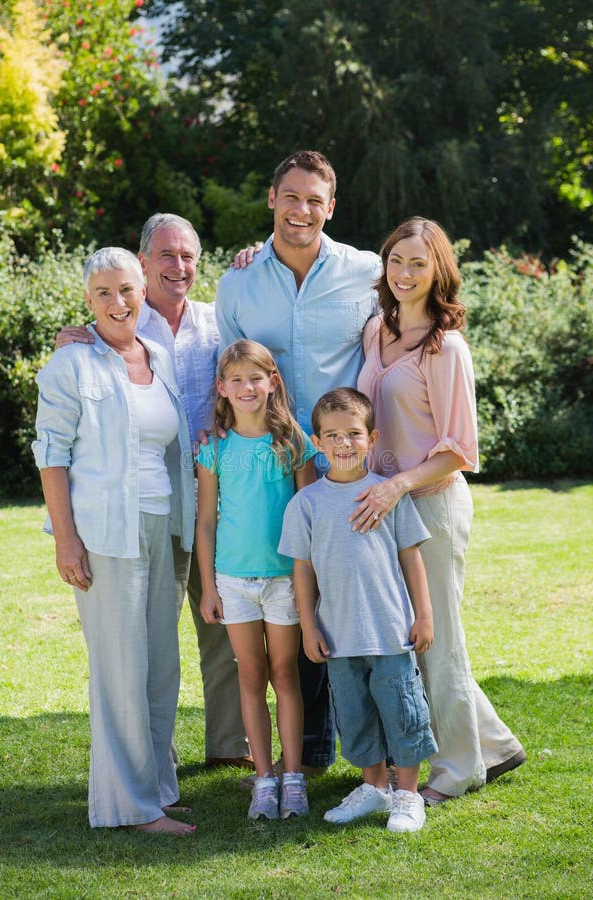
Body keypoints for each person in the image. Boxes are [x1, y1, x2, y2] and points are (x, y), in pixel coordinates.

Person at [55, 214, 250, 768]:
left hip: (215, 501)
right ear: (142, 265)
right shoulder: (112, 328)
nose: (179, 266)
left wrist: (256, 257)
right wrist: (71, 338)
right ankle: (148, 763)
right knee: (146, 643)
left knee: (223, 633)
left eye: (189, 255)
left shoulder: (218, 323)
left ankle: (229, 752)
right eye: (166, 255)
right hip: (149, 504)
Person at [216, 150, 382, 775]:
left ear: (331, 207)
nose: (302, 210)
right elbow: (226, 374)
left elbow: (406, 320)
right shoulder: (238, 282)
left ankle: (381, 748)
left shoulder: (366, 272)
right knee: (294, 595)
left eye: (315, 200)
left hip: (345, 470)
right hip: (271, 469)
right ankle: (308, 755)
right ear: (271, 199)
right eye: (292, 197)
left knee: (357, 601)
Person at [354, 216, 526, 804]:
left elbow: (459, 450)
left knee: (438, 639)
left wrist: (398, 482)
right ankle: (495, 743)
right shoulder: (377, 328)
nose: (404, 273)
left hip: (429, 504)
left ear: (439, 271)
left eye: (418, 264)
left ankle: (457, 770)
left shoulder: (445, 347)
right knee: (415, 633)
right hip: (387, 505)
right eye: (396, 260)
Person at [32, 248, 196, 834]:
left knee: (159, 665)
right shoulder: (71, 365)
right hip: (104, 535)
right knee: (121, 668)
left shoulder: (158, 358)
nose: (118, 302)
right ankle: (129, 808)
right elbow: (50, 455)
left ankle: (154, 790)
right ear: (87, 300)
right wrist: (65, 541)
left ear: (142, 289)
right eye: (104, 293)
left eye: (126, 289)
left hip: (162, 526)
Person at [278, 388, 437, 833]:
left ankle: (407, 795)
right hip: (339, 635)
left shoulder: (386, 495)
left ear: (372, 438)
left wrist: (424, 614)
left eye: (353, 434)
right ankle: (373, 789)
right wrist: (308, 626)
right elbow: (303, 572)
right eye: (332, 436)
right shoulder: (305, 504)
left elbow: (411, 557)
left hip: (390, 630)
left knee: (403, 711)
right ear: (317, 442)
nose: (343, 444)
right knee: (355, 715)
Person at [196, 340, 316, 819]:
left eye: (256, 378)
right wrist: (208, 586)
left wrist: (309, 587)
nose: (247, 388)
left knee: (286, 674)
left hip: (285, 579)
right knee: (251, 673)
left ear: (273, 383)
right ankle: (263, 779)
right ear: (223, 389)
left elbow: (310, 518)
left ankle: (293, 775)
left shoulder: (295, 443)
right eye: (237, 380)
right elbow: (206, 523)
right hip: (233, 580)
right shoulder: (214, 450)